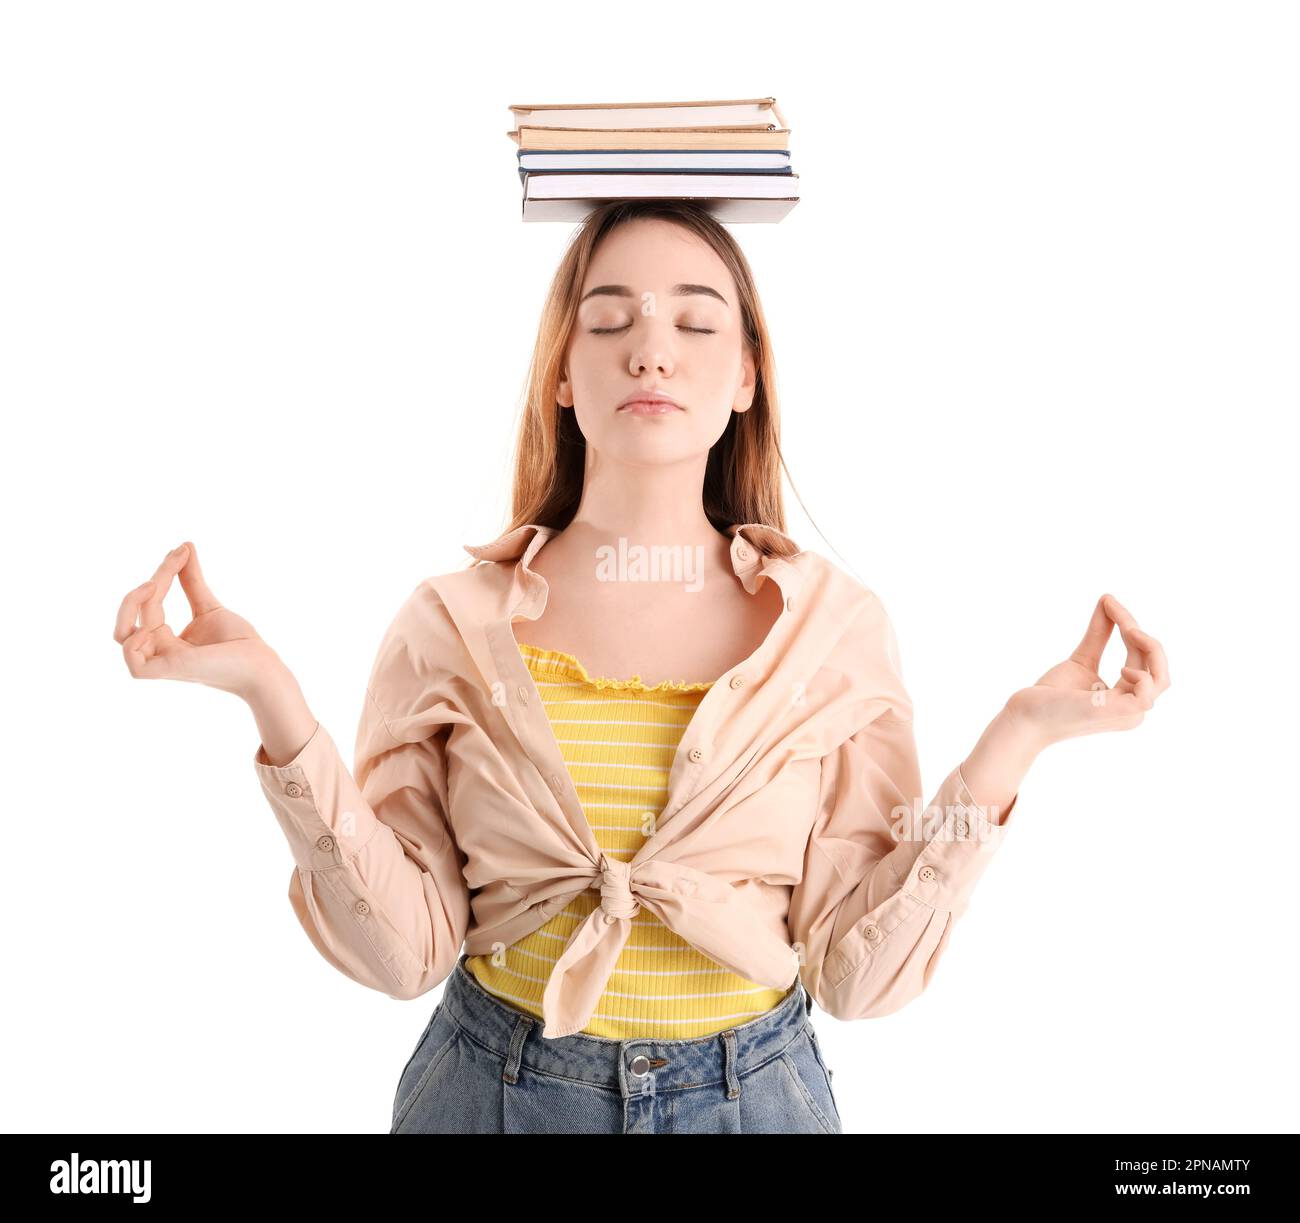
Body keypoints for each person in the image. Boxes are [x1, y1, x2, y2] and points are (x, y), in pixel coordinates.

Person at [114, 199, 1170, 1134]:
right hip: (487, 1095)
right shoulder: (446, 624)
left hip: (756, 1099)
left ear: (747, 375)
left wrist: (1014, 743)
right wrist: (274, 704)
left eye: (697, 322)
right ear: (563, 376)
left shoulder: (834, 629)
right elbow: (406, 954)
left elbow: (857, 968)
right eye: (610, 320)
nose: (652, 351)